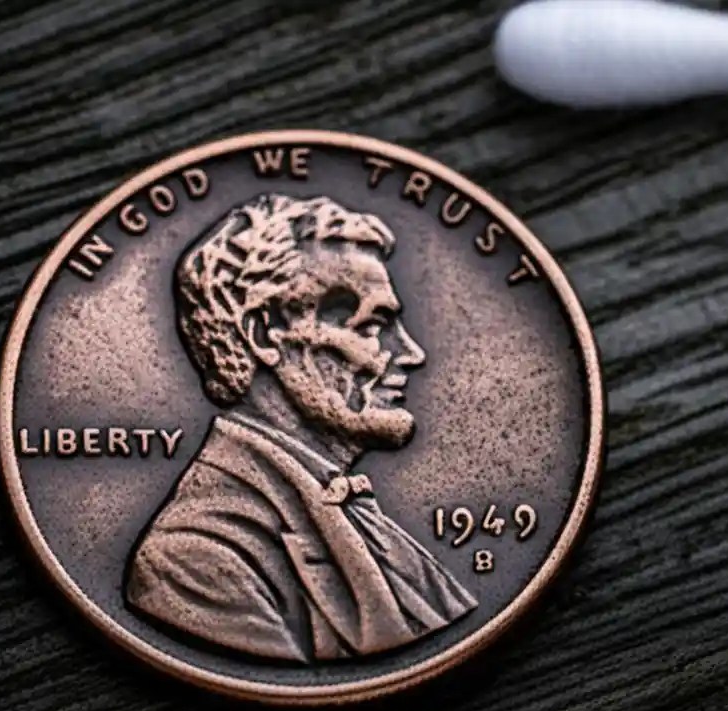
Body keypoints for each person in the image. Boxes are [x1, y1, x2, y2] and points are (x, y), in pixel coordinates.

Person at [125, 193, 477, 663]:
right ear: (263, 333)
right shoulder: (193, 556)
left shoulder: (362, 516)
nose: (412, 353)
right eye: (372, 326)